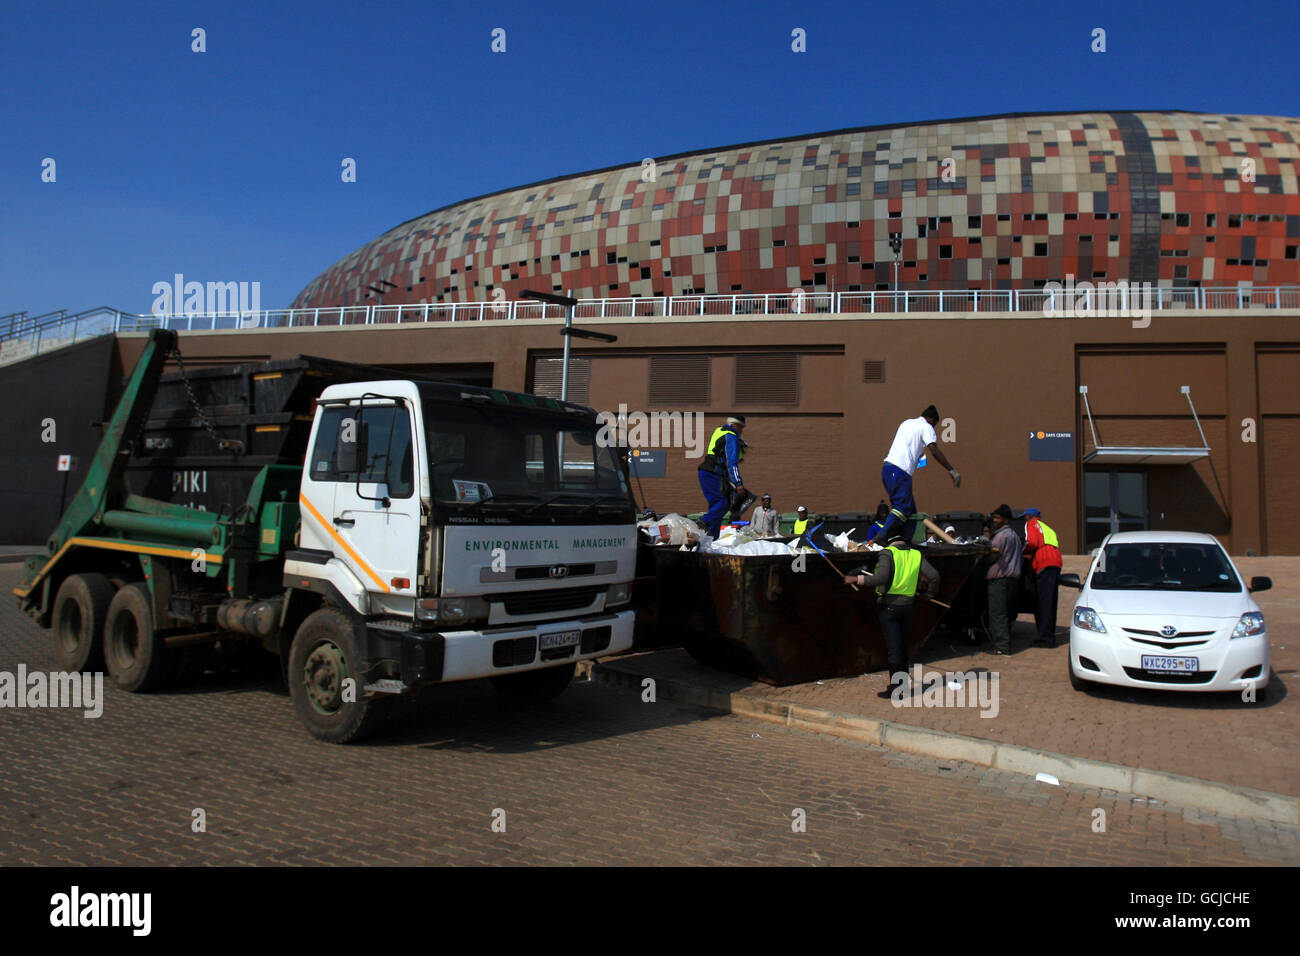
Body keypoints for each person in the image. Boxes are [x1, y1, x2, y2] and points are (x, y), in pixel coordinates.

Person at [845, 533, 940, 698]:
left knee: (894, 649)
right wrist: (928, 595)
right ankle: (902, 685)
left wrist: (855, 579)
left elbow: (881, 578)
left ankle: (896, 690)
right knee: (902, 647)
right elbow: (934, 576)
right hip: (909, 607)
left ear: (889, 542)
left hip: (889, 607)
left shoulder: (887, 553)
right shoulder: (916, 554)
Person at [870, 405, 961, 545]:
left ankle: (906, 540)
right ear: (931, 420)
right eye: (935, 425)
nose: (934, 428)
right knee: (901, 508)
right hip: (900, 471)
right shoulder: (926, 427)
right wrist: (951, 470)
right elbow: (934, 451)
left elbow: (908, 447)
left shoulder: (906, 423)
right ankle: (882, 536)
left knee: (911, 512)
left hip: (888, 469)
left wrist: (917, 458)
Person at [697, 415, 747, 538]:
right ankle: (703, 521)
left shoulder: (719, 431)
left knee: (716, 507)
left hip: (708, 472)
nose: (741, 431)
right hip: (712, 473)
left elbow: (719, 453)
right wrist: (738, 483)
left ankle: (711, 539)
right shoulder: (731, 436)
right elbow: (732, 463)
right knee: (723, 503)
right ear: (736, 425)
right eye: (741, 427)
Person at [1021, 507, 1063, 648]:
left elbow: (1032, 543)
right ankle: (1047, 635)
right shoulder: (1047, 528)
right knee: (1050, 602)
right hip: (1055, 562)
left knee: (1043, 603)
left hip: (1044, 563)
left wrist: (1022, 551)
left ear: (1029, 516)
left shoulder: (1031, 524)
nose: (1023, 521)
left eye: (1024, 517)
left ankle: (1046, 639)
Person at [984, 504, 1024, 655]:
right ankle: (1002, 643)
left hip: (1000, 579)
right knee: (1005, 613)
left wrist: (982, 557)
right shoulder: (1013, 535)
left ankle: (1002, 647)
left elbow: (992, 556)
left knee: (997, 613)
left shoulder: (1001, 536)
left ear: (1005, 519)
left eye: (997, 518)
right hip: (1012, 579)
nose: (994, 520)